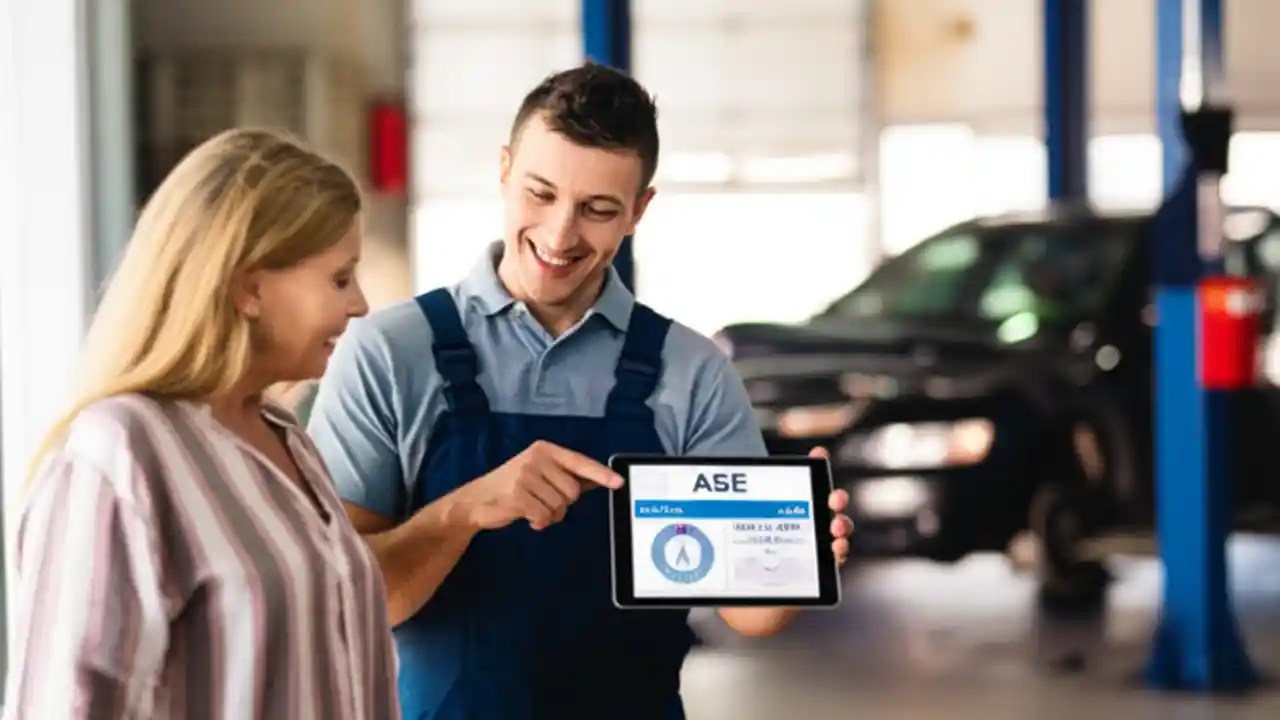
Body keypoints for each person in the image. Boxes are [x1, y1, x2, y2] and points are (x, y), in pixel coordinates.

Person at [308, 62, 854, 720]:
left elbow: (750, 615)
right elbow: (344, 599)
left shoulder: (692, 371)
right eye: (540, 193)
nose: (562, 235)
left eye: (598, 210)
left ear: (639, 211)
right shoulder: (389, 354)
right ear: (504, 169)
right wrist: (467, 508)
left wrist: (794, 555)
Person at [4, 128, 400, 719]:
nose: (360, 305)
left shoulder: (290, 441)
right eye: (339, 278)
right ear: (249, 288)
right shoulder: (119, 454)